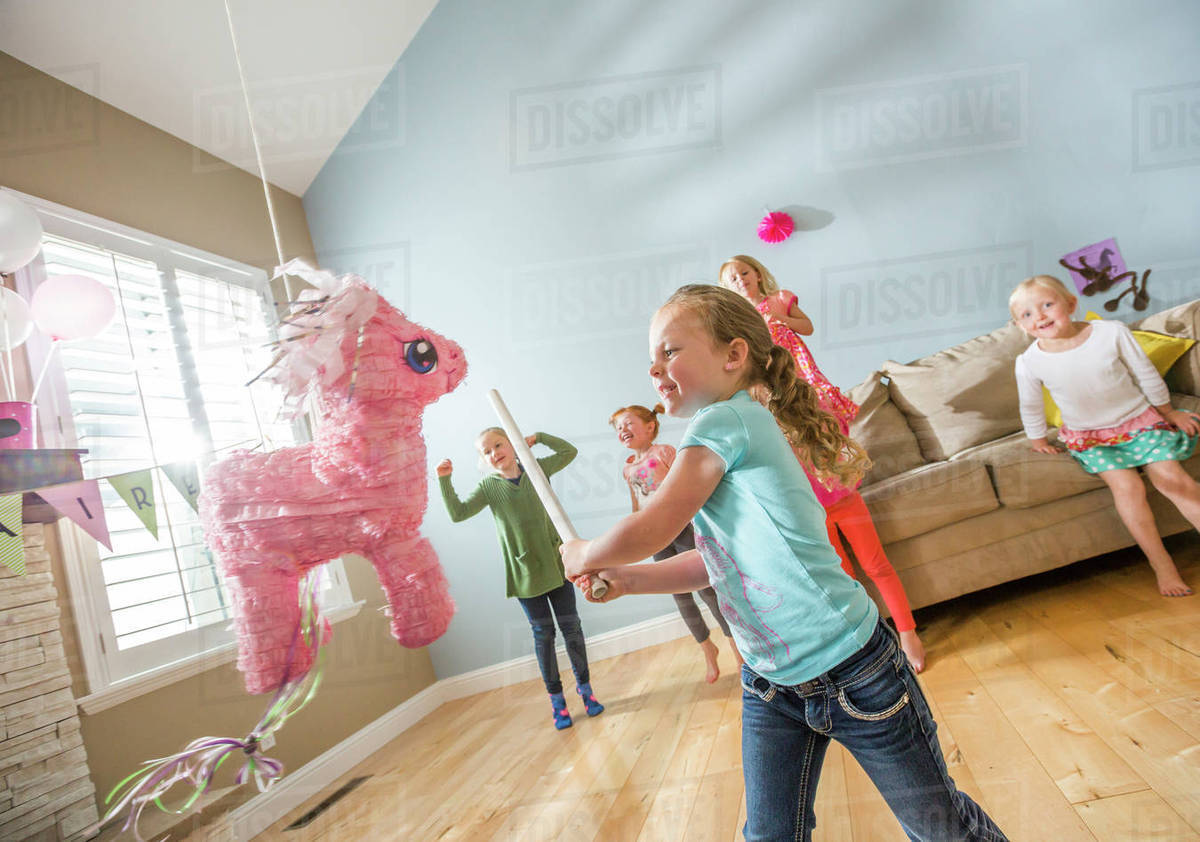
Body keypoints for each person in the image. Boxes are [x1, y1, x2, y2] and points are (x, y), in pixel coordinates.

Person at [562, 284, 1008, 841]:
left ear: (733, 355)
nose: (656, 369)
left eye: (670, 351)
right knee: (769, 836)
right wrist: (628, 579)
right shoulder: (722, 437)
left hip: (855, 672)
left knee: (939, 828)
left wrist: (586, 552)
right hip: (769, 683)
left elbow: (655, 526)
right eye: (651, 359)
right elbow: (720, 562)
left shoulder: (726, 422)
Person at [721, 254, 927, 670]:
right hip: (813, 513)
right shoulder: (761, 416)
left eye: (744, 272)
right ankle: (874, 646)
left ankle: (907, 633)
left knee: (875, 565)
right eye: (731, 278)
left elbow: (806, 329)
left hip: (843, 498)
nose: (740, 280)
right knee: (844, 576)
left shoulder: (780, 303)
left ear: (757, 273)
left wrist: (782, 326)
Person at [1011, 274, 1199, 597]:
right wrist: (1038, 440)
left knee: (1172, 479)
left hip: (1138, 420)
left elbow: (1145, 373)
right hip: (1090, 437)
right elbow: (1029, 405)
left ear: (1071, 304)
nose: (1039, 316)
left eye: (1046, 305)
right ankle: (1161, 564)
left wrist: (1168, 412)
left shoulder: (1111, 332)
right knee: (1128, 487)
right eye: (1027, 314)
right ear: (1020, 326)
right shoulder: (1029, 362)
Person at [437, 428, 605, 729]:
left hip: (557, 564)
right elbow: (458, 513)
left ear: (512, 445)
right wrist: (445, 480)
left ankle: (586, 691)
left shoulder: (537, 470)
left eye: (498, 445)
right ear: (484, 460)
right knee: (544, 636)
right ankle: (558, 703)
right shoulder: (489, 487)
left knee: (571, 628)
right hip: (525, 574)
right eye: (486, 451)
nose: (494, 453)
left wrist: (539, 437)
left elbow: (569, 453)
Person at [612, 402, 741, 683]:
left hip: (682, 528)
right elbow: (637, 504)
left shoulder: (664, 452)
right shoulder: (628, 469)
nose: (623, 430)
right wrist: (636, 533)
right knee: (679, 595)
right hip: (654, 536)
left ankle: (737, 649)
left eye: (628, 423)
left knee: (708, 590)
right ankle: (707, 648)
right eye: (618, 427)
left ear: (649, 426)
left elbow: (685, 485)